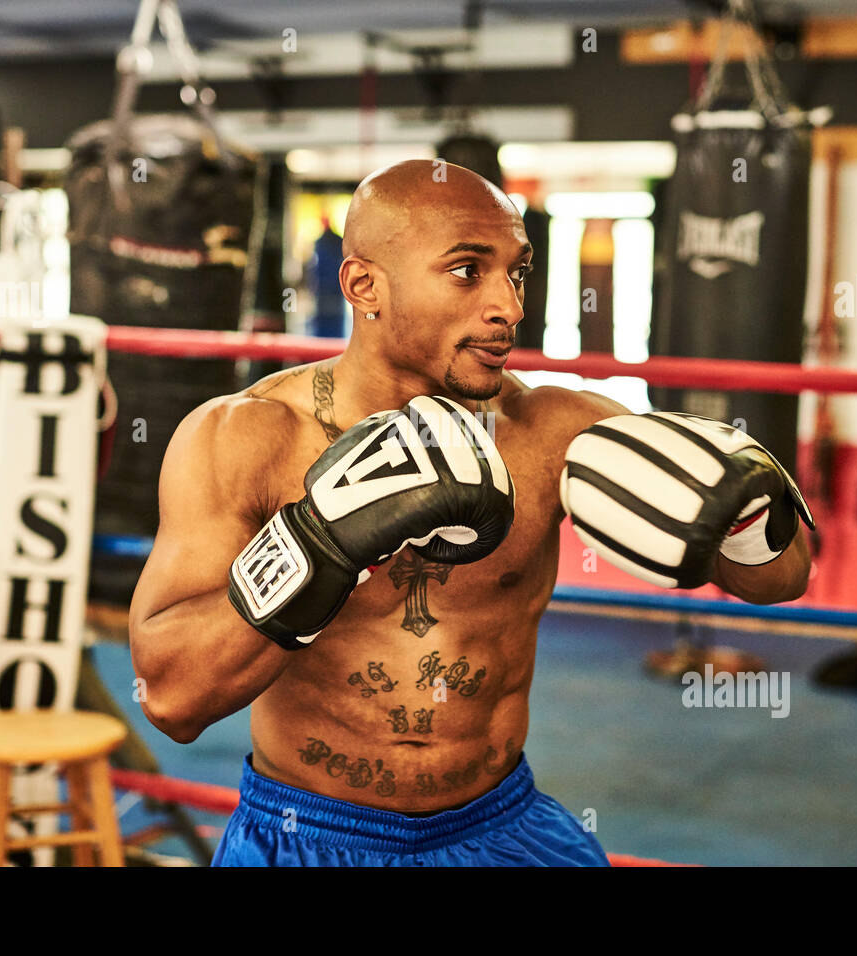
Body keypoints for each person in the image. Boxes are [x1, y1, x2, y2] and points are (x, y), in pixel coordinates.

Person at [129, 159, 813, 866]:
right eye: (467, 271)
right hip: (308, 836)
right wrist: (319, 543)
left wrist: (742, 505)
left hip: (500, 828)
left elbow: (783, 576)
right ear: (364, 285)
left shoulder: (553, 431)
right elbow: (171, 699)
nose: (510, 307)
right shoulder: (248, 438)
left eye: (516, 272)